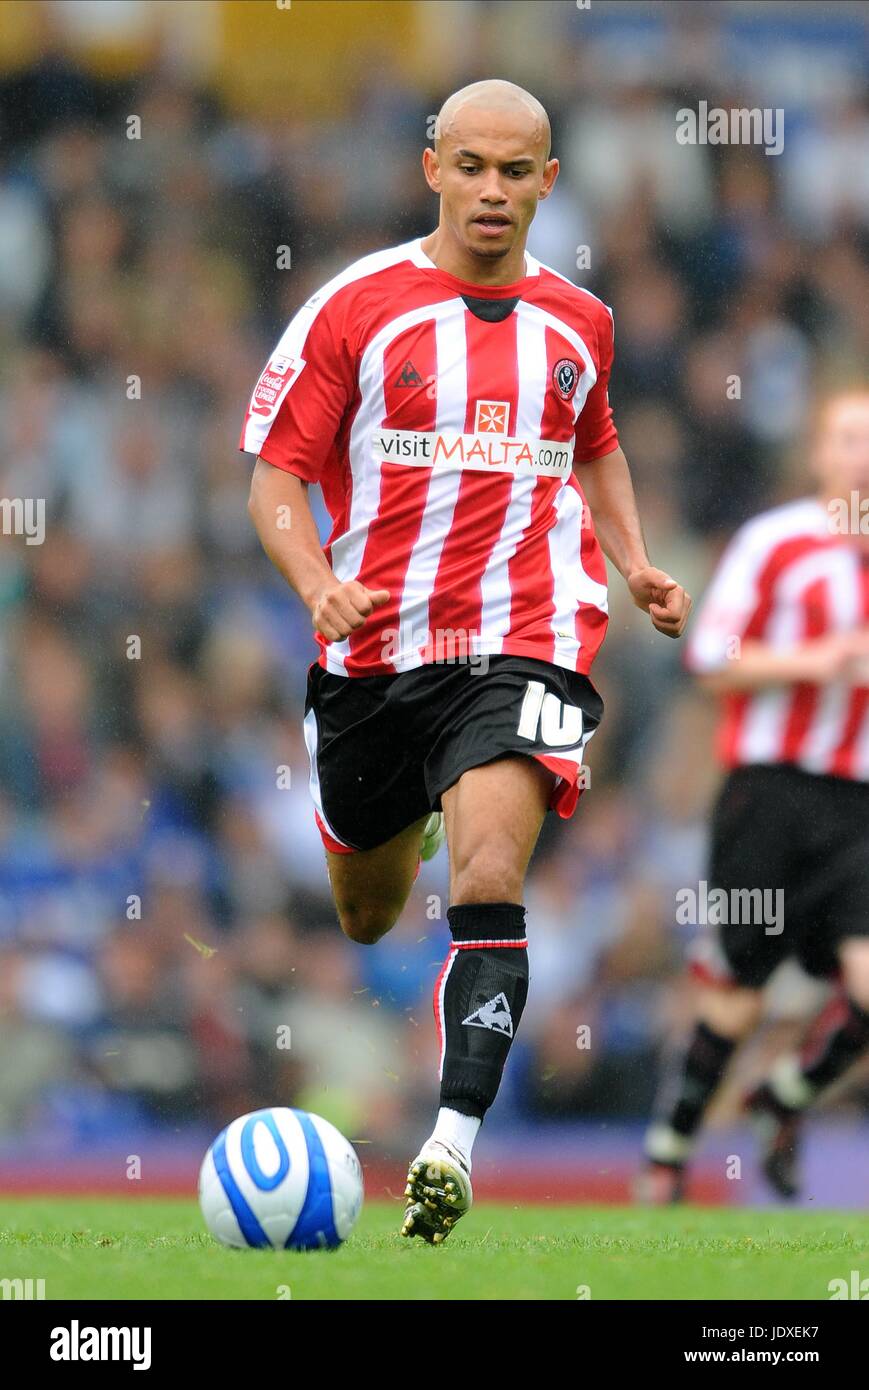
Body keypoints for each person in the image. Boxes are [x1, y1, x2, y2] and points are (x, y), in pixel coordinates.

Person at [241, 79, 691, 1243]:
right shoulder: (355, 307)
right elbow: (274, 480)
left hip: (525, 635)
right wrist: (315, 585)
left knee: (488, 879)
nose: (493, 191)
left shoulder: (578, 323)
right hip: (374, 651)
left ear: (548, 182)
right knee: (364, 911)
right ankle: (410, 807)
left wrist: (631, 562)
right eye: (472, 166)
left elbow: (596, 448)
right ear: (431, 166)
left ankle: (450, 1143)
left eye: (517, 171)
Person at [638, 389, 869, 1203]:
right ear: (817, 453)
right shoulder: (775, 542)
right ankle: (666, 1158)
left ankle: (782, 1097)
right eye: (848, 438)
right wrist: (811, 661)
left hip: (858, 809)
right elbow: (709, 652)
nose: (862, 456)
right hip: (765, 798)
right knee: (737, 987)